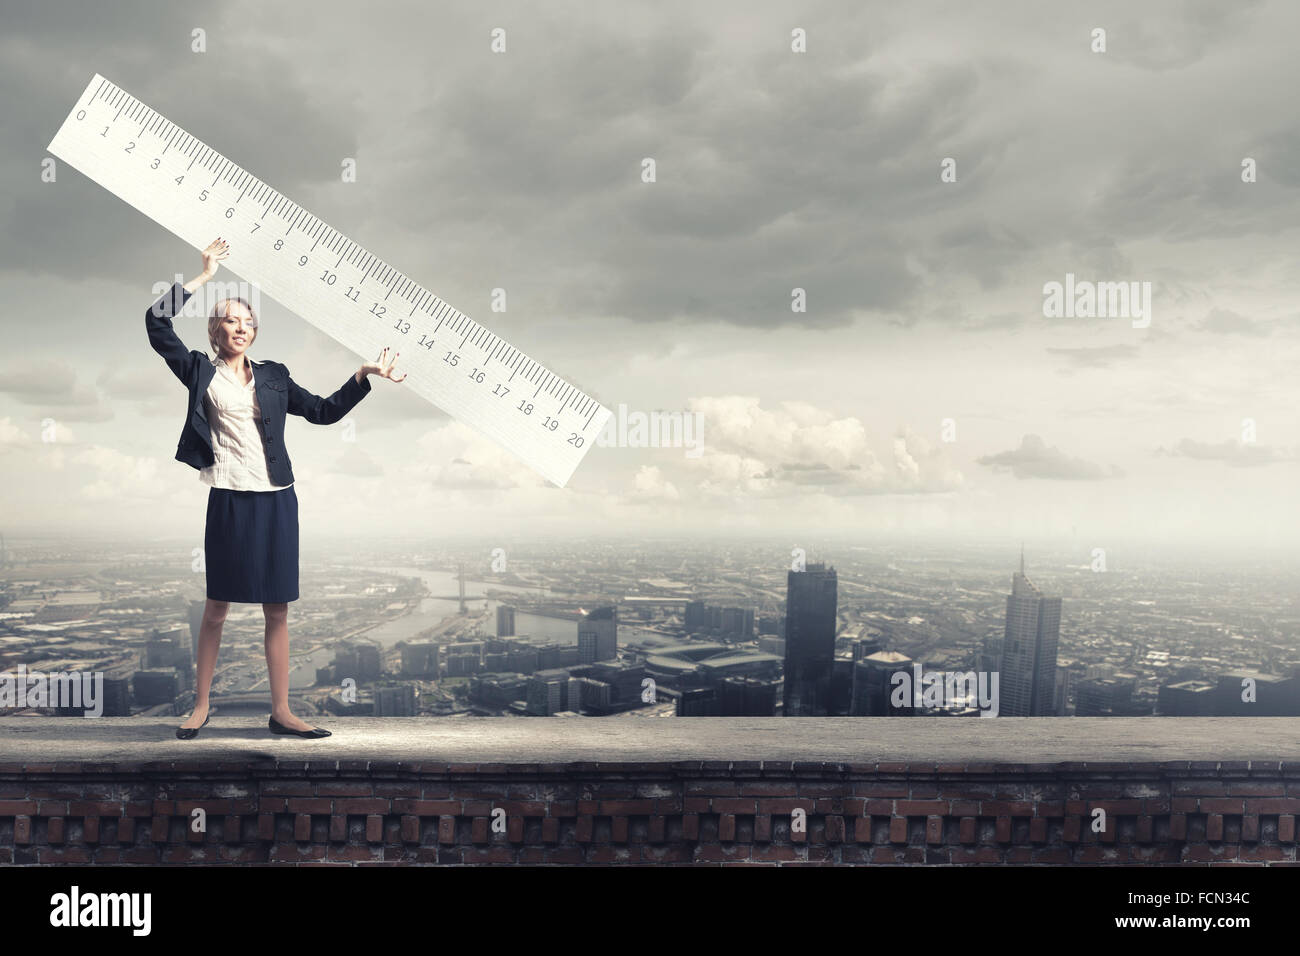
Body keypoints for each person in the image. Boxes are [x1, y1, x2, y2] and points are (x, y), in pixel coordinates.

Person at [146, 238, 406, 739]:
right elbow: (156, 324)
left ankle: (282, 712)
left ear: (255, 332)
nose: (240, 327)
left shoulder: (276, 377)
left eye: (247, 322)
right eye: (229, 320)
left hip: (277, 498)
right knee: (217, 607)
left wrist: (363, 375)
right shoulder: (198, 369)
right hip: (228, 496)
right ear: (213, 330)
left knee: (278, 609)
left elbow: (324, 413)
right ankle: (201, 706)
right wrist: (203, 277)